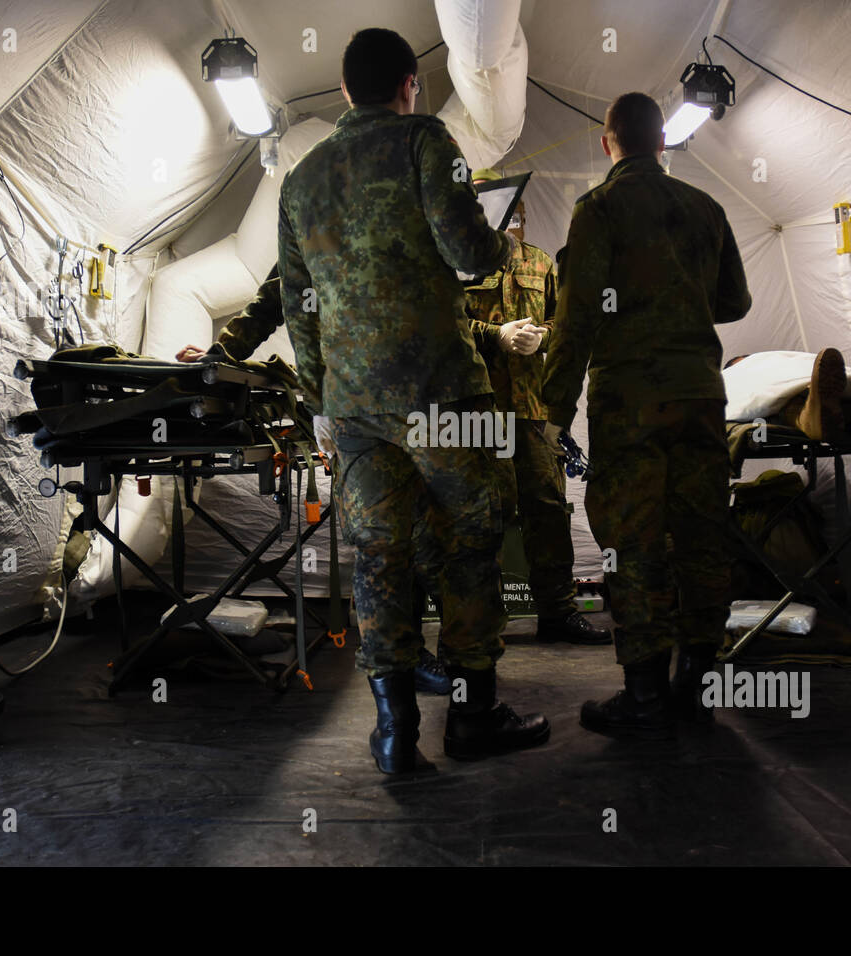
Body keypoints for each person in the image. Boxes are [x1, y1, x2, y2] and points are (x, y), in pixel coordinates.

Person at [278, 28, 550, 773]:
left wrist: (321, 400)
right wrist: (500, 244)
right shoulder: (426, 140)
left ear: (344, 91)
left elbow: (298, 307)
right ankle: (472, 716)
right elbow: (469, 253)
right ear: (410, 84)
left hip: (354, 408)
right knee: (470, 543)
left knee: (379, 555)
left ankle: (395, 731)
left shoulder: (300, 181)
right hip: (441, 394)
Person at [542, 91, 752, 738]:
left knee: (632, 543)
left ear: (608, 143)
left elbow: (576, 318)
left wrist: (554, 410)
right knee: (702, 536)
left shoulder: (598, 208)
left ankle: (644, 696)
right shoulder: (706, 207)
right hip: (700, 397)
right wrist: (681, 303)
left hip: (630, 402)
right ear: (663, 143)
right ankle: (697, 687)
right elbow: (736, 303)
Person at [174, 262, 452, 694]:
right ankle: (401, 668)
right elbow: (270, 301)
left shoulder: (401, 228)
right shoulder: (309, 227)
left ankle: (426, 662)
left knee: (430, 534)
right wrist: (221, 354)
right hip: (353, 406)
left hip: (418, 401)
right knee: (383, 539)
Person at [464, 171, 611, 646]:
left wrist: (541, 338)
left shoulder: (541, 263)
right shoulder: (459, 266)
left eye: (514, 214)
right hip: (478, 411)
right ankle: (480, 625)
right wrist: (495, 336)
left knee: (547, 510)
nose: (509, 221)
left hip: (532, 408)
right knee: (484, 515)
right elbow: (444, 326)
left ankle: (558, 613)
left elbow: (564, 322)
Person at [726, 348, 851, 441]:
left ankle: (839, 413)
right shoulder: (730, 379)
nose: (748, 363)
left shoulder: (771, 360)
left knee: (810, 392)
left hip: (803, 383)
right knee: (789, 402)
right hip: (786, 399)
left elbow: (790, 366)